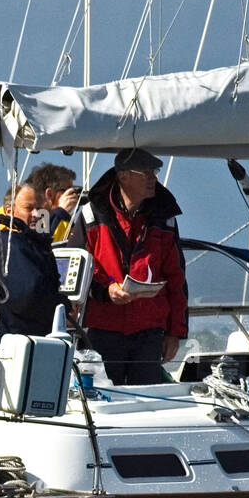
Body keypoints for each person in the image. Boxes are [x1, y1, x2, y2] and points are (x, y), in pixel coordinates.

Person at [68, 148, 188, 385]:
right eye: (145, 173)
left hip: (149, 332)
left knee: (146, 402)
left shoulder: (164, 218)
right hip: (102, 329)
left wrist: (175, 333)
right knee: (102, 397)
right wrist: (106, 291)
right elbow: (75, 269)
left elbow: (177, 279)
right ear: (123, 176)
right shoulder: (91, 214)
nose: (153, 178)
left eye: (154, 172)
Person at [0, 183, 65, 338]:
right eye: (29, 208)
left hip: (29, 339)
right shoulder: (10, 244)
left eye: (40, 208)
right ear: (9, 212)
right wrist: (62, 305)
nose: (36, 213)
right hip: (14, 342)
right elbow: (27, 295)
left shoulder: (34, 245)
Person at [25, 162, 79, 243]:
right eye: (67, 191)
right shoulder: (25, 218)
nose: (72, 195)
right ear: (49, 194)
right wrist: (61, 211)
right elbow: (39, 245)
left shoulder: (61, 221)